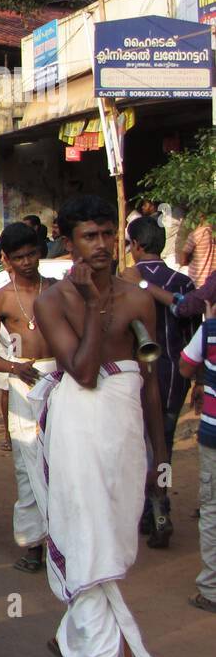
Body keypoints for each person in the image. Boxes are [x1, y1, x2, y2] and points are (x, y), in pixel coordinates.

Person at [30, 195, 167, 657]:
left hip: (125, 433)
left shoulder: (139, 298)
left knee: (113, 538)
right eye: (91, 236)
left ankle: (73, 638)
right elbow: (84, 373)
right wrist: (92, 305)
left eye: (109, 234)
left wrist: (162, 452)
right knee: (87, 538)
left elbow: (150, 383)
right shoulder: (53, 301)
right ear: (69, 244)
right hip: (78, 429)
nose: (103, 245)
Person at [0, 222, 55, 575]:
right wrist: (14, 367)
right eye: (19, 257)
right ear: (7, 260)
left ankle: (63, 541)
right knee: (27, 465)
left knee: (62, 463)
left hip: (60, 379)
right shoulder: (0, 300)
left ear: (40, 252)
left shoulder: (56, 291)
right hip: (23, 384)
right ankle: (32, 544)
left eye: (32, 254)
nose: (27, 262)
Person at [121, 216, 197, 548]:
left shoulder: (124, 280)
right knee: (163, 444)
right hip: (172, 378)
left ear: (136, 246)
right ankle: (160, 505)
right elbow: (194, 336)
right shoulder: (183, 283)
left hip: (130, 377)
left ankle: (144, 509)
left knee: (136, 445)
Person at [179, 312, 216, 614]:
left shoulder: (210, 330)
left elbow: (185, 366)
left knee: (213, 511)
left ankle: (212, 590)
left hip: (213, 435)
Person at [179, 216, 216, 291]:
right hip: (213, 282)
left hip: (197, 281)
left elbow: (182, 261)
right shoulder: (214, 233)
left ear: (202, 216)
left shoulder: (197, 234)